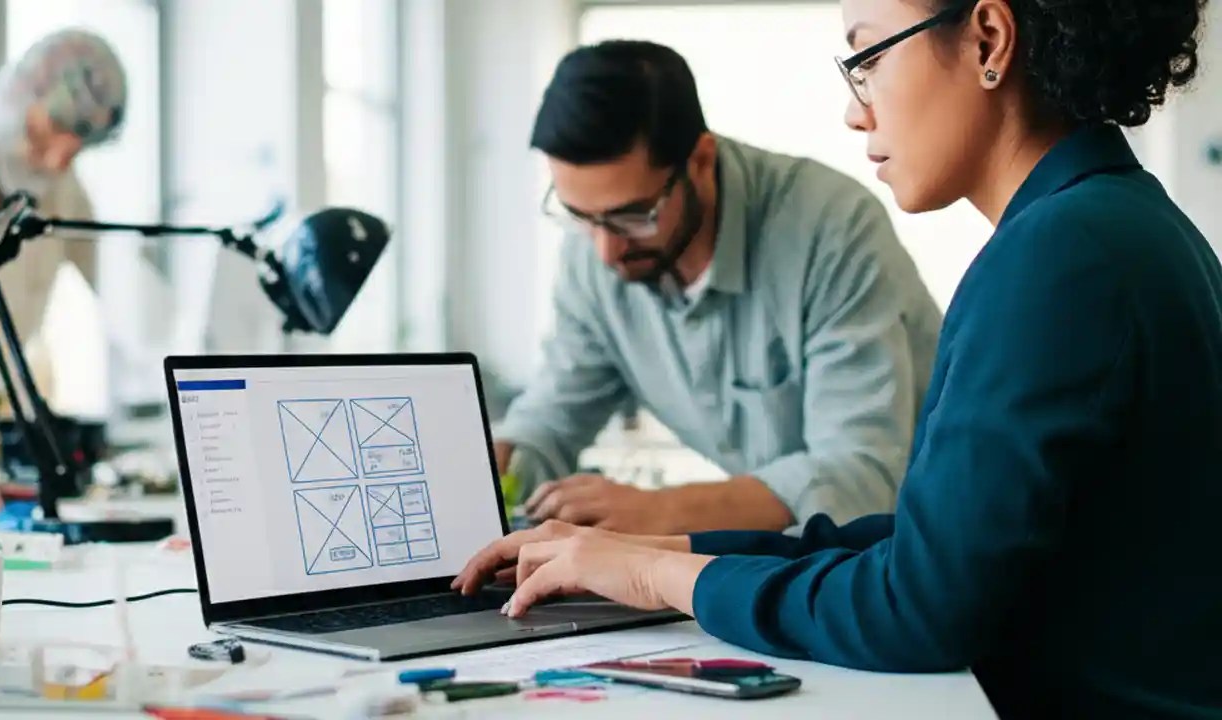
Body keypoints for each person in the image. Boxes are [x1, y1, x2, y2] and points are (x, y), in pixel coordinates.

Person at [456, 0, 1222, 716]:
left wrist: (659, 576)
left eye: (868, 59)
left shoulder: (1058, 258)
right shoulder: (1121, 225)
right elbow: (924, 545)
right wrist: (661, 551)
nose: (855, 109)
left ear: (989, 40)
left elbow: (916, 608)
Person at [494, 40, 942, 535]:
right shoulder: (597, 251)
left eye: (633, 216)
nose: (606, 252)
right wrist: (497, 464)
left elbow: (862, 478)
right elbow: (555, 416)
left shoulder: (830, 229)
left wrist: (659, 512)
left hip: (927, 547)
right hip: (797, 564)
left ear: (702, 160)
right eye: (581, 217)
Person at [0, 29, 126, 510]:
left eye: (74, 151)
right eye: (45, 135)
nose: (55, 162)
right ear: (11, 100)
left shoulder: (63, 188)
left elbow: (131, 304)